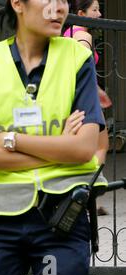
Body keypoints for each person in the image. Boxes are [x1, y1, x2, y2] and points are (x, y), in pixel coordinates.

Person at [0, 0, 107, 275]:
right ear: (17, 3)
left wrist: (11, 139)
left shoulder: (77, 59)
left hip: (61, 215)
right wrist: (60, 146)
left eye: (63, 0)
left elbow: (84, 148)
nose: (59, 8)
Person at [63, 0, 110, 215]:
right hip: (84, 100)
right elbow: (81, 65)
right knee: (99, 148)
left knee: (76, 149)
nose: (99, 14)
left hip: (68, 99)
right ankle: (84, 195)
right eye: (95, 10)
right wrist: (95, 92)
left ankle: (78, 195)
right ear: (81, 13)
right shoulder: (83, 35)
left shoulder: (66, 33)